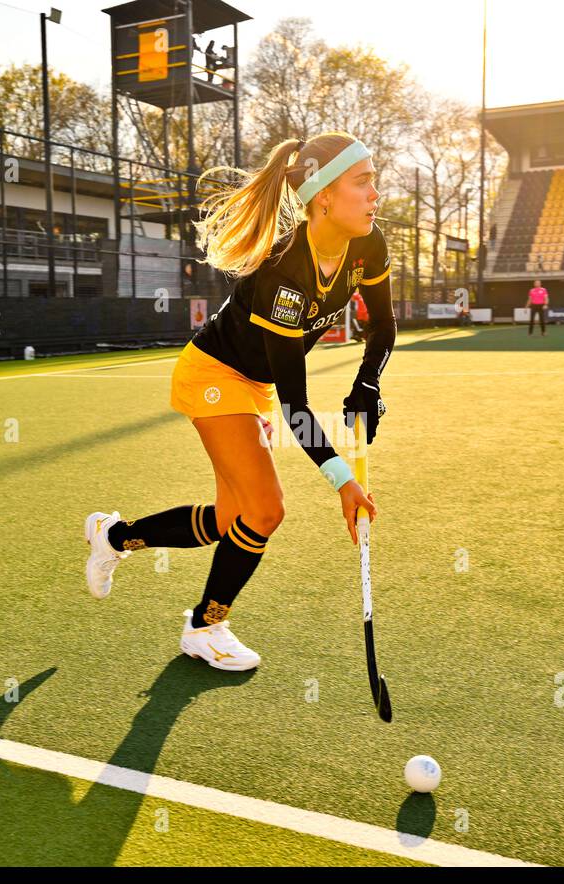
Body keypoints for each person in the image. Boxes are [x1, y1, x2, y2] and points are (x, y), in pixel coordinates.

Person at [82, 133, 392, 671]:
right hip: (214, 373)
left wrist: (369, 381)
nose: (375, 194)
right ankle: (205, 626)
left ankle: (115, 536)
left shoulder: (369, 244)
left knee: (232, 520)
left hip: (255, 385)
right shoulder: (283, 272)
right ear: (323, 196)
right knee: (266, 509)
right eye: (363, 182)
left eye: (373, 181)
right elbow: (296, 400)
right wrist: (344, 480)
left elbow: (383, 325)